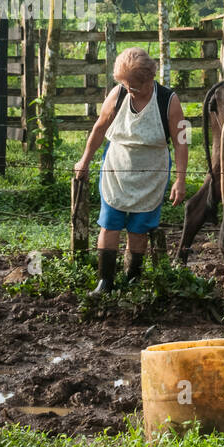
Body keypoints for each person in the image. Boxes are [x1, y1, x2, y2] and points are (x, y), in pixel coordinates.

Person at [73, 48, 188, 293]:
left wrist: (180, 179)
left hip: (152, 171)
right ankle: (105, 281)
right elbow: (99, 129)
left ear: (149, 80)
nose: (129, 90)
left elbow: (181, 141)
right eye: (125, 85)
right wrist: (85, 160)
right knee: (110, 223)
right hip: (118, 168)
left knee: (139, 227)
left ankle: (132, 278)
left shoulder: (168, 100)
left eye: (133, 86)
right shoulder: (118, 94)